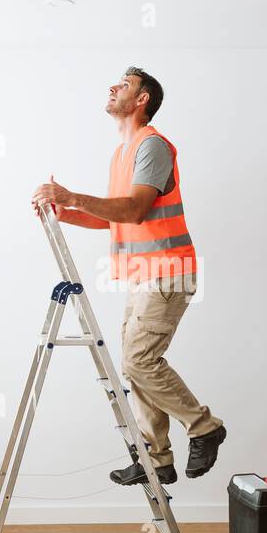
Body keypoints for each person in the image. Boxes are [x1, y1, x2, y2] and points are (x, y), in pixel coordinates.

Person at [31, 67, 226, 485]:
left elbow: (135, 209)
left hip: (168, 271)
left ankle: (205, 427)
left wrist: (71, 195)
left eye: (124, 84)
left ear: (142, 100)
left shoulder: (152, 146)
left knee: (139, 361)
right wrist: (67, 214)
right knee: (135, 364)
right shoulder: (122, 153)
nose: (113, 87)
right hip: (145, 275)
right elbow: (117, 219)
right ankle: (157, 459)